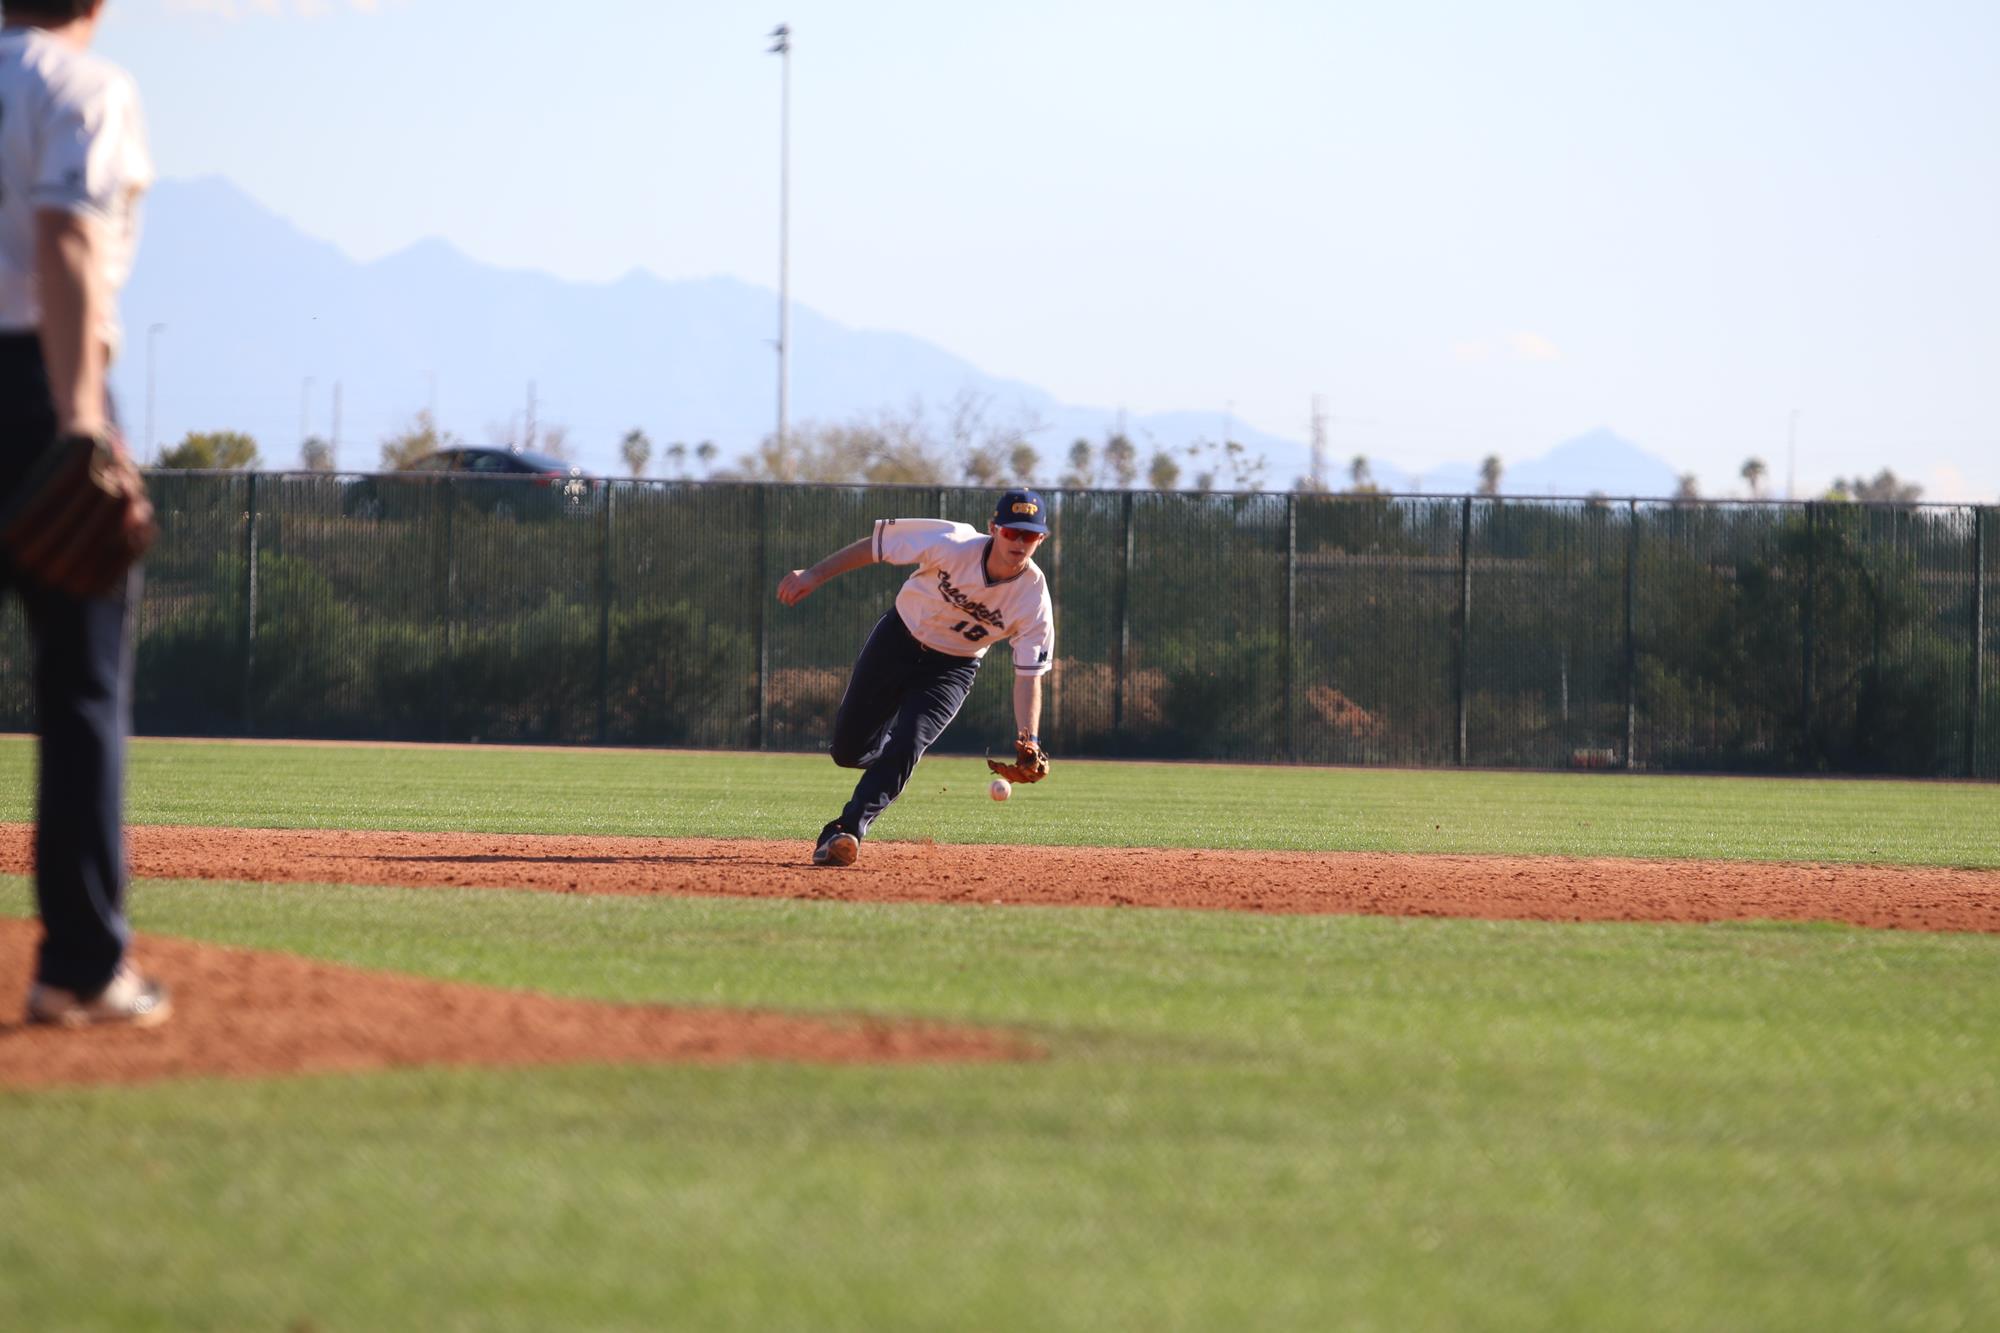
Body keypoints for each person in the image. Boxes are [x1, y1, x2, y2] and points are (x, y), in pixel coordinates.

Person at [1, 0, 167, 1025]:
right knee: (80, 688)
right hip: (38, 386)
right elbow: (66, 233)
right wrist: (80, 420)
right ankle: (80, 964)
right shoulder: (84, 87)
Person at [777, 488, 1055, 866]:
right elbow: (876, 545)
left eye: (1030, 535)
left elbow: (1028, 676)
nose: (1019, 542)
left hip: (952, 669)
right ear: (994, 528)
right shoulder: (952, 542)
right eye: (1012, 531)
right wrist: (814, 574)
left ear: (1042, 539)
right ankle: (890, 758)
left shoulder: (1034, 598)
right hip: (897, 641)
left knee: (909, 743)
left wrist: (1029, 738)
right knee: (847, 751)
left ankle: (846, 831)